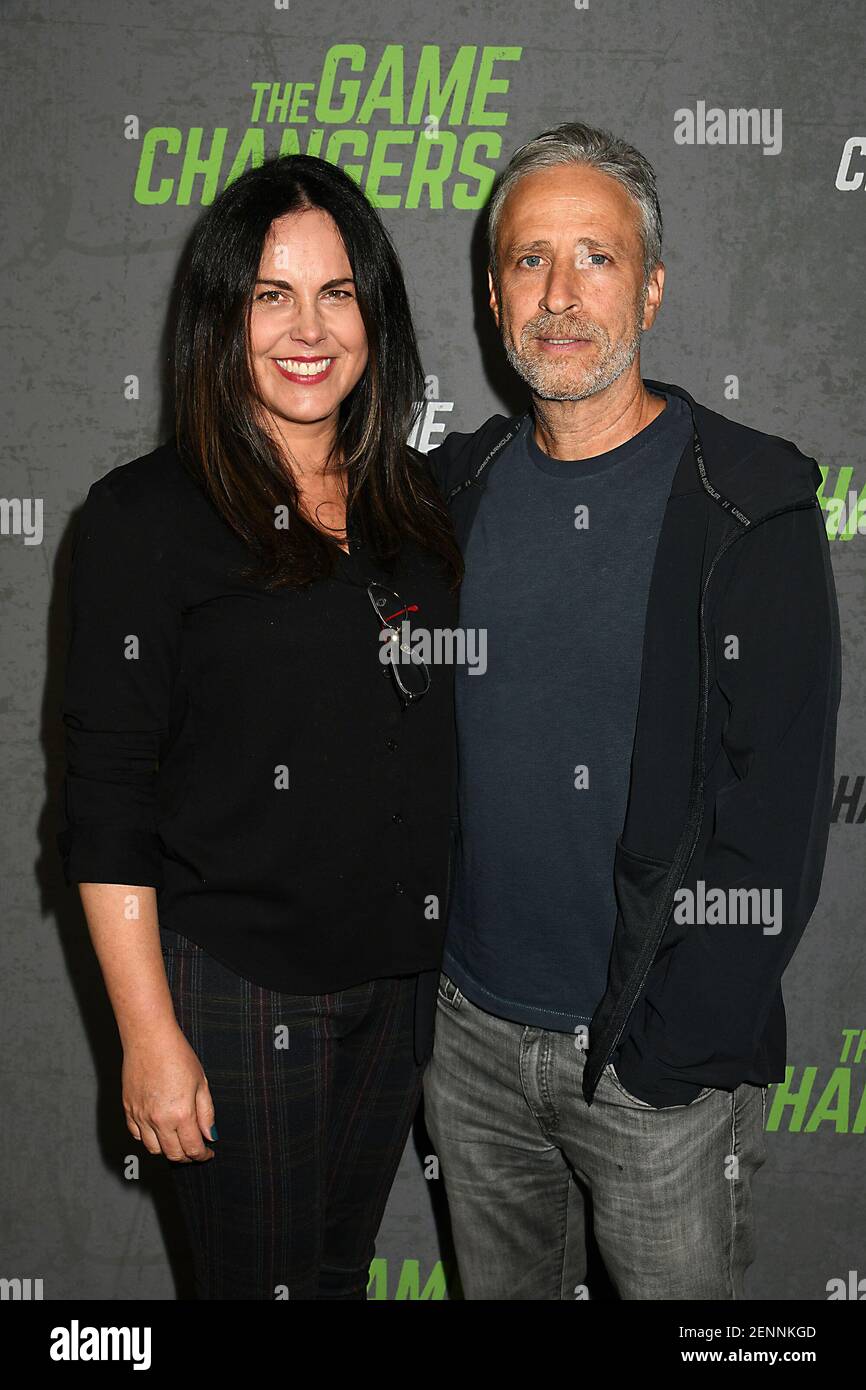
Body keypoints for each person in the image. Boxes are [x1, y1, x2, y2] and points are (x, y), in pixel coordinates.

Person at [419, 121, 841, 1299]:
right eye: (527, 260)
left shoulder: (745, 505)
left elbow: (780, 812)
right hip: (467, 1049)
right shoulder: (452, 493)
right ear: (493, 291)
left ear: (649, 287)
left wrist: (670, 1058)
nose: (558, 296)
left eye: (594, 258)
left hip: (649, 1073)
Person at [56, 153, 462, 1301]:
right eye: (269, 293)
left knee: (332, 1282)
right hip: (235, 987)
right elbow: (107, 800)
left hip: (394, 982)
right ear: (219, 316)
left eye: (336, 292)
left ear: (372, 313)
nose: (307, 326)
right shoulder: (145, 517)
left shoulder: (415, 509)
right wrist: (148, 1033)